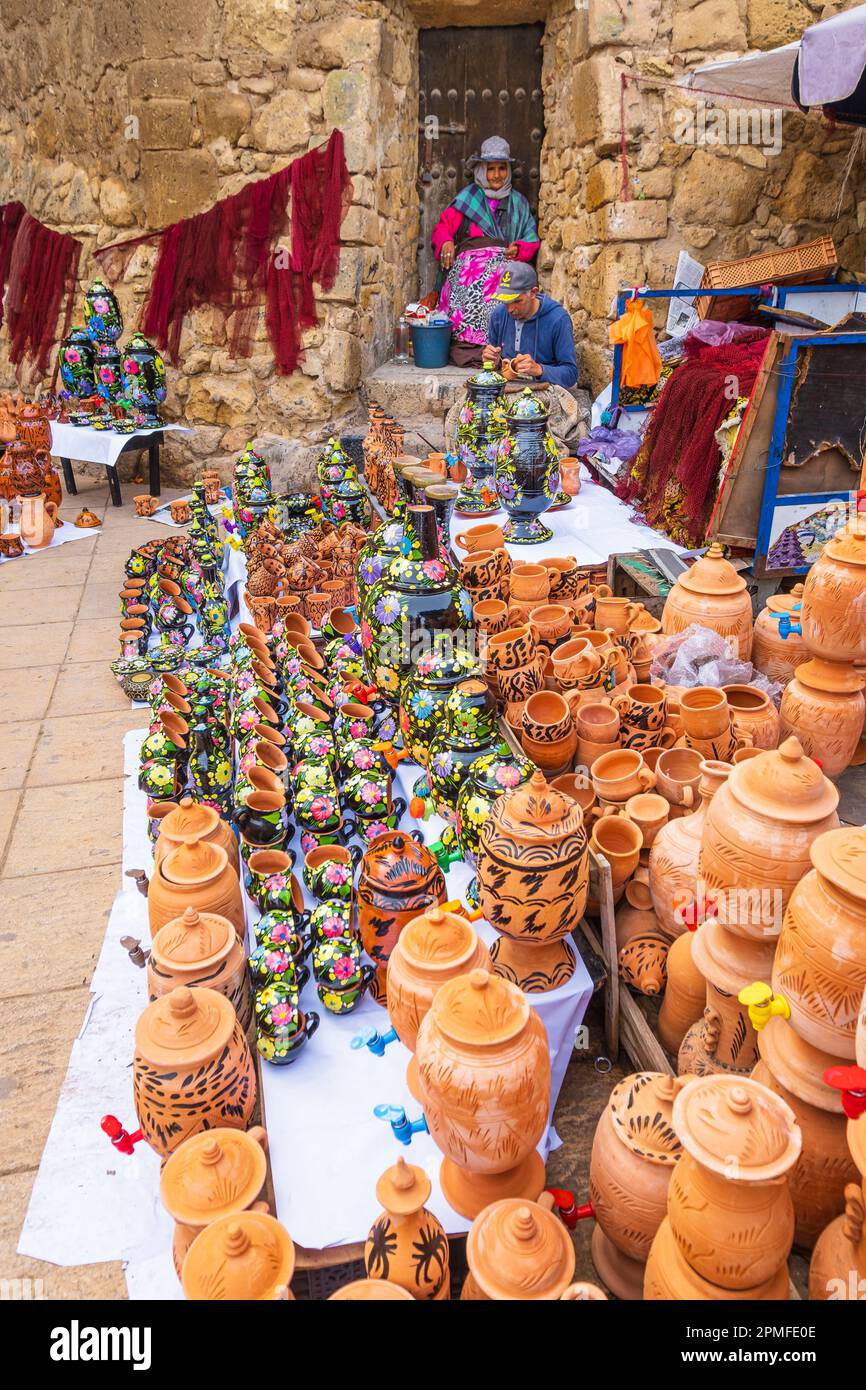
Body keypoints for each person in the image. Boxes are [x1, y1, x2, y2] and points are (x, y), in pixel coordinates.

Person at [431, 135, 539, 366]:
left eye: (502, 168)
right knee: (469, 285)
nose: (497, 174)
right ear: (481, 170)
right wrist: (446, 243)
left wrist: (518, 249)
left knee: (501, 289)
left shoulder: (518, 203)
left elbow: (530, 238)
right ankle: (468, 349)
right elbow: (443, 227)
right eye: (491, 168)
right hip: (468, 267)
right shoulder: (467, 199)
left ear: (509, 171)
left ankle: (497, 350)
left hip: (503, 264)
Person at [482, 262, 577, 388]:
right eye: (506, 301)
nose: (510, 309)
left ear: (533, 292)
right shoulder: (499, 314)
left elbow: (571, 374)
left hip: (543, 390)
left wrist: (540, 370)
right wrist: (490, 361)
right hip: (507, 387)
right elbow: (494, 363)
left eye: (517, 301)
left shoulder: (558, 320)